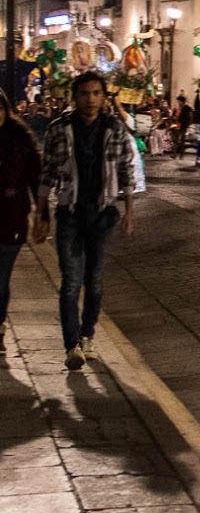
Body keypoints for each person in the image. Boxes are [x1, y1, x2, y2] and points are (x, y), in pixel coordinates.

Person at [35, 71, 137, 371]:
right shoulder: (59, 129)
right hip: (69, 213)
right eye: (84, 94)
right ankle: (72, 345)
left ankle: (87, 333)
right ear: (74, 97)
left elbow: (127, 171)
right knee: (70, 281)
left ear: (104, 97)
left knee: (93, 282)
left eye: (96, 93)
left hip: (103, 214)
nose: (90, 99)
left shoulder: (115, 128)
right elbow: (48, 173)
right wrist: (40, 212)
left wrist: (129, 210)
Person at [0, 90, 41, 358]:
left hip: (11, 217)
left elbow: (36, 179)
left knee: (1, 278)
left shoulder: (21, 139)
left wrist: (43, 214)